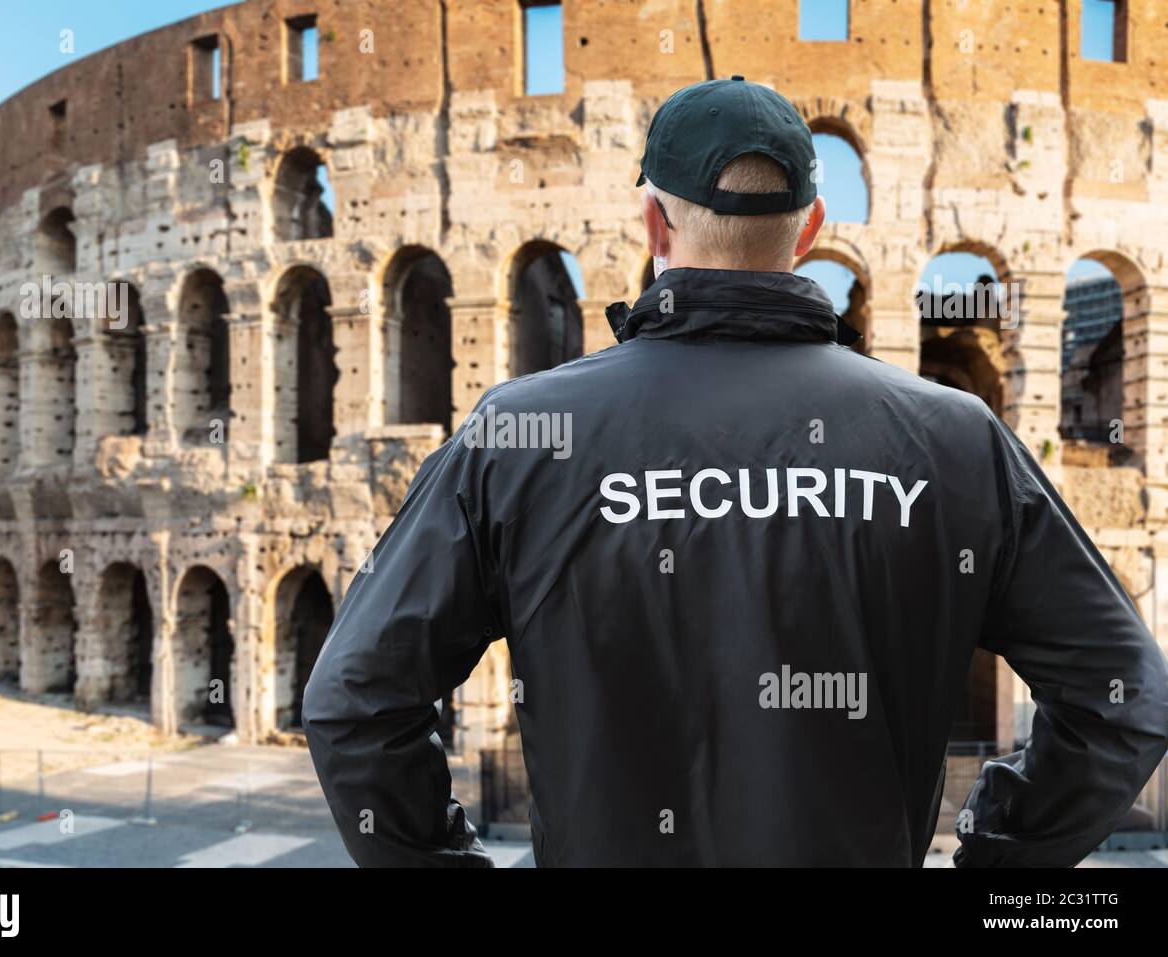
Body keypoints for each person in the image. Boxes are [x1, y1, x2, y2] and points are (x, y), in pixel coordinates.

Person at [303, 77, 1168, 867]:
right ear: (812, 229)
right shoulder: (956, 439)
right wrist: (996, 858)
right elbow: (1124, 700)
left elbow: (354, 702)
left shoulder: (520, 434)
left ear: (652, 223)